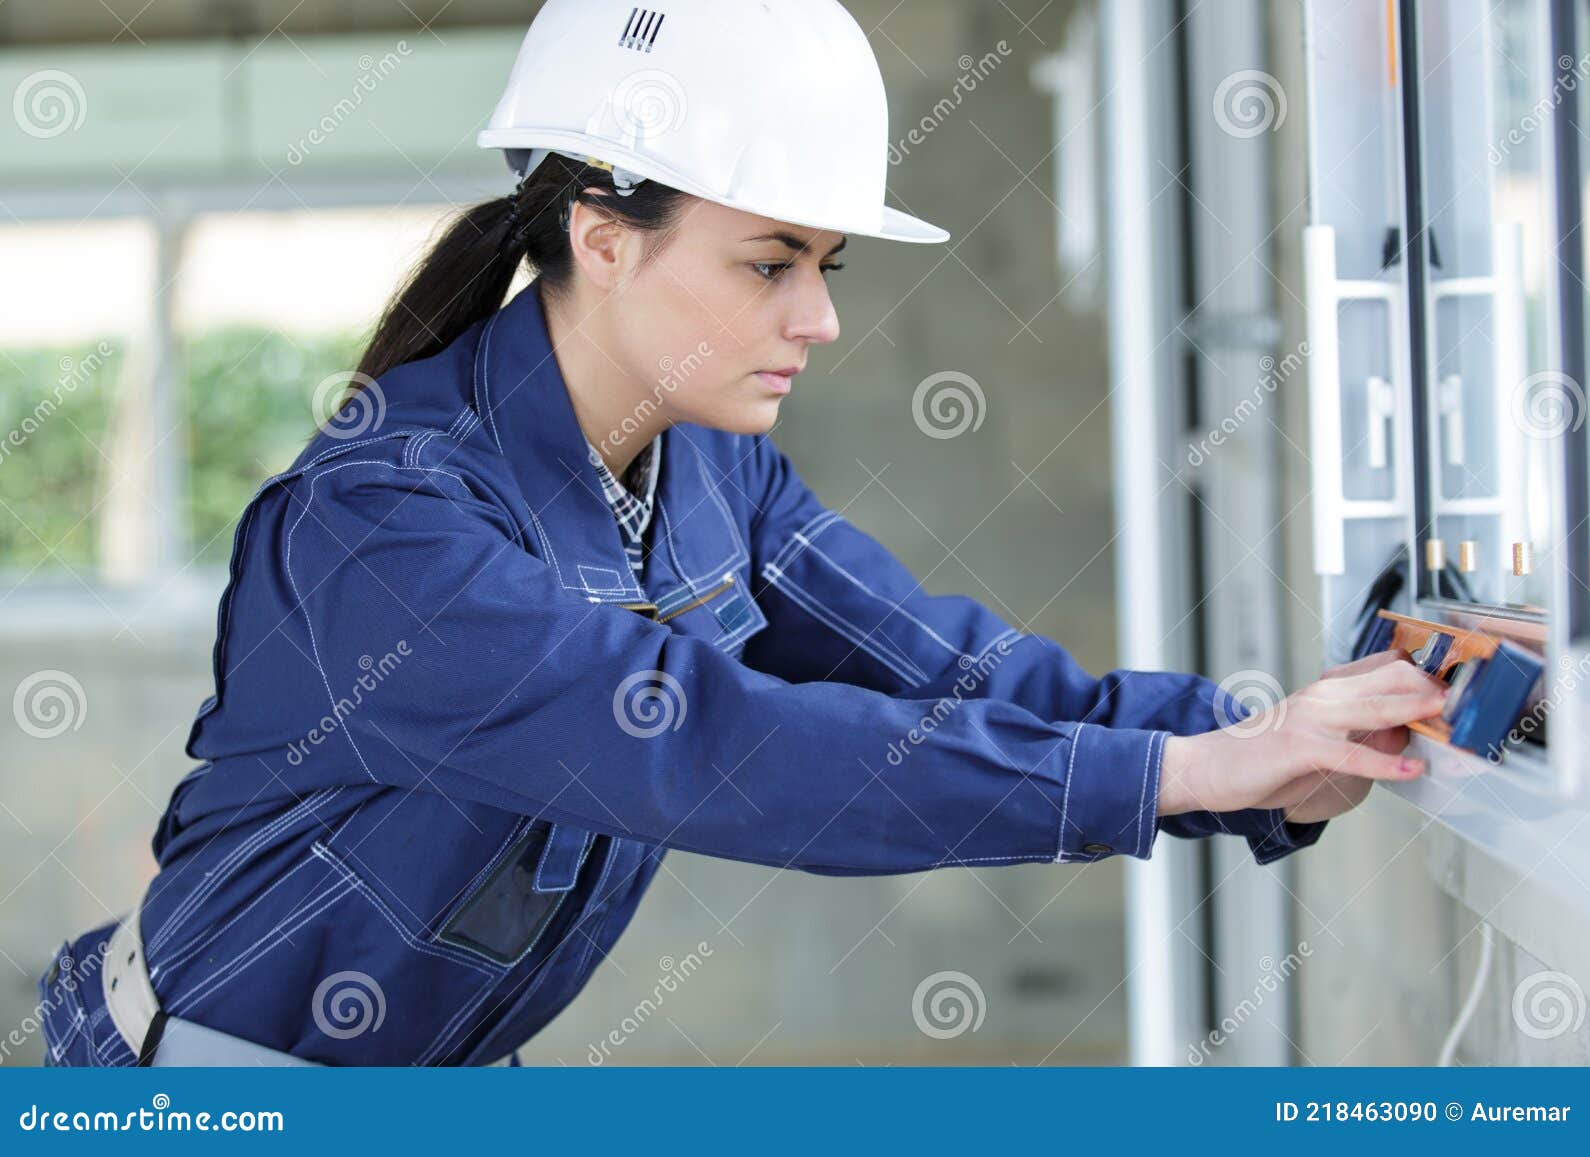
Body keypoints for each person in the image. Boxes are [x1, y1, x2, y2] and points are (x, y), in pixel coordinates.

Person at [37, 0, 1448, 1067]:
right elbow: (712, 745)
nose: (818, 318)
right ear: (604, 235)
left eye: (822, 266)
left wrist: (1256, 756)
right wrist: (1180, 774)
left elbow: (958, 676)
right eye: (770, 262)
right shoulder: (384, 522)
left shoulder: (714, 476)